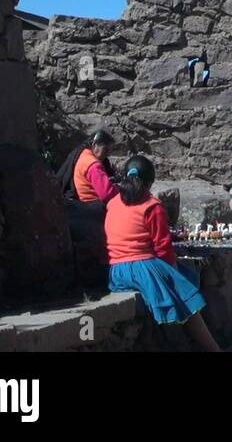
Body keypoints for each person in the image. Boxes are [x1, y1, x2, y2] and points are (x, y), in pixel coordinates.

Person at [105, 155, 220, 352]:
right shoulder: (152, 206)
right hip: (143, 268)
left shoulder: (113, 203)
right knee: (184, 293)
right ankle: (212, 348)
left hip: (116, 271)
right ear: (150, 182)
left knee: (182, 278)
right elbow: (163, 249)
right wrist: (174, 275)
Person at [56, 130, 119, 288]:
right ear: (95, 144)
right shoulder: (92, 164)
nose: (106, 155)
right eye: (105, 150)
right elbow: (107, 193)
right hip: (92, 207)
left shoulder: (81, 154)